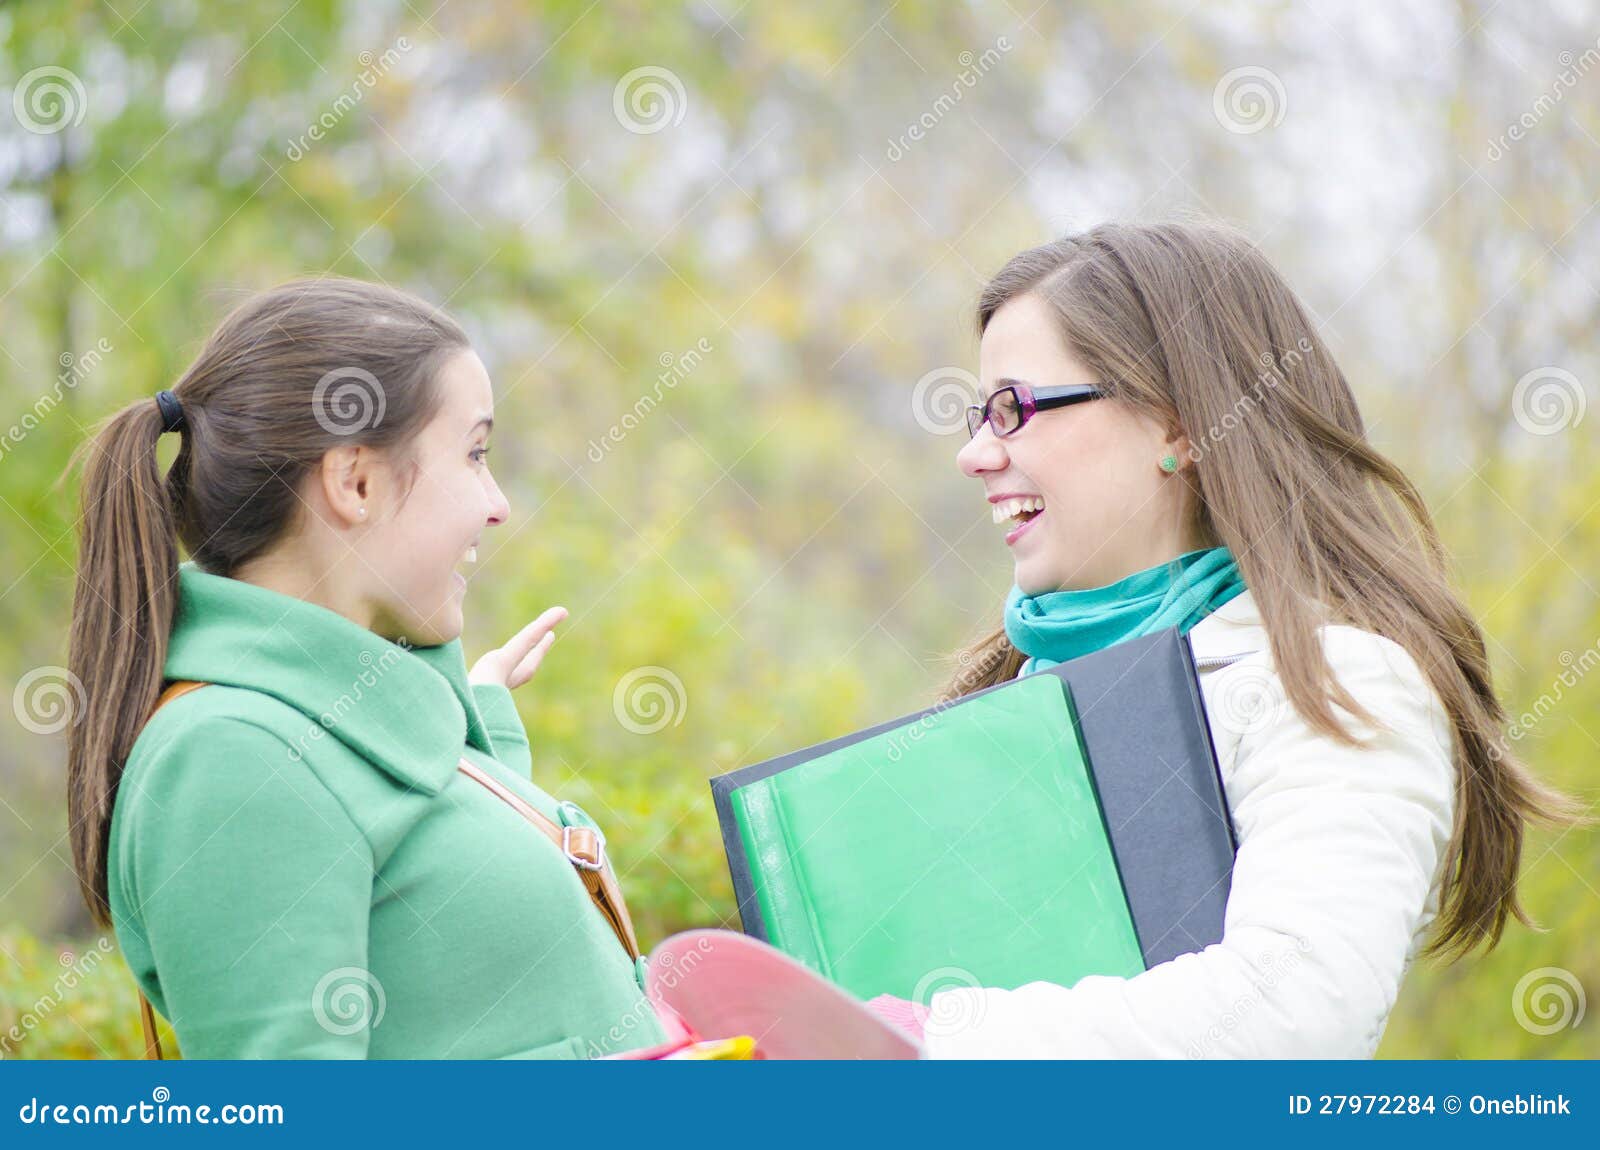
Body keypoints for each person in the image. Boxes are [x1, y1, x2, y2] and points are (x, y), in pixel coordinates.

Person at [874, 221, 1585, 1058]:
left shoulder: (1341, 680)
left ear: (1177, 427)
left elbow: (1290, 1018)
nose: (975, 455)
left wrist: (927, 1038)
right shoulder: (1010, 696)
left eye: (1015, 409)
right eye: (976, 416)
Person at [66, 278, 664, 1058]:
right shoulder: (230, 759)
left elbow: (461, 975)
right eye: (475, 453)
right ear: (355, 481)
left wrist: (479, 730)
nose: (497, 504)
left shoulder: (312, 723)